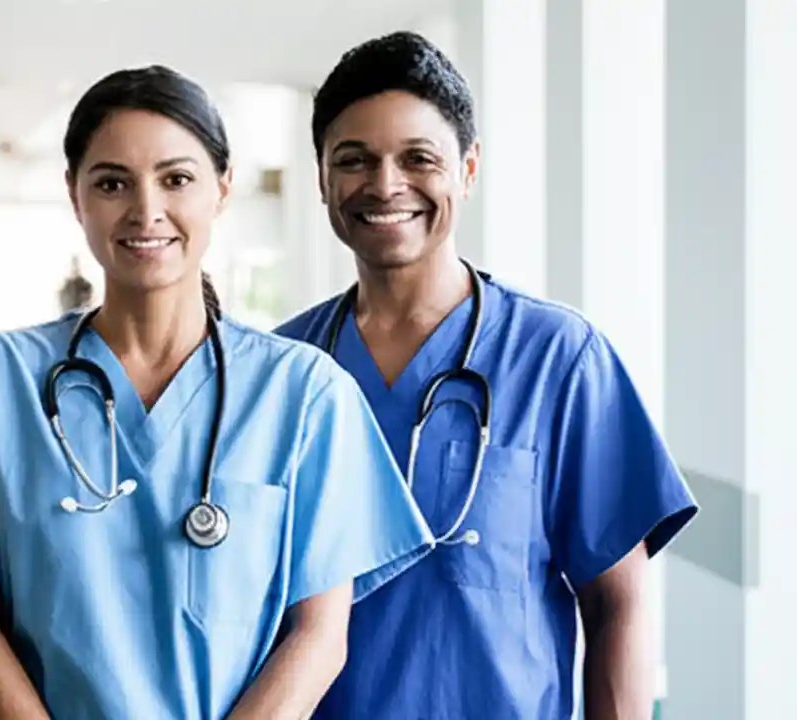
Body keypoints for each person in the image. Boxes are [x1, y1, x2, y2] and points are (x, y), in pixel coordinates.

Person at [0, 65, 433, 719]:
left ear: (222, 189)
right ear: (75, 197)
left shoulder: (304, 393)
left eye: (176, 178)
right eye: (112, 182)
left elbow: (318, 637)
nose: (145, 209)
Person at [274, 31, 700, 719]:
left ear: (468, 169)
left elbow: (617, 605)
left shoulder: (558, 357)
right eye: (354, 160)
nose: (386, 185)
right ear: (323, 178)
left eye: (419, 159)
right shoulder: (282, 370)